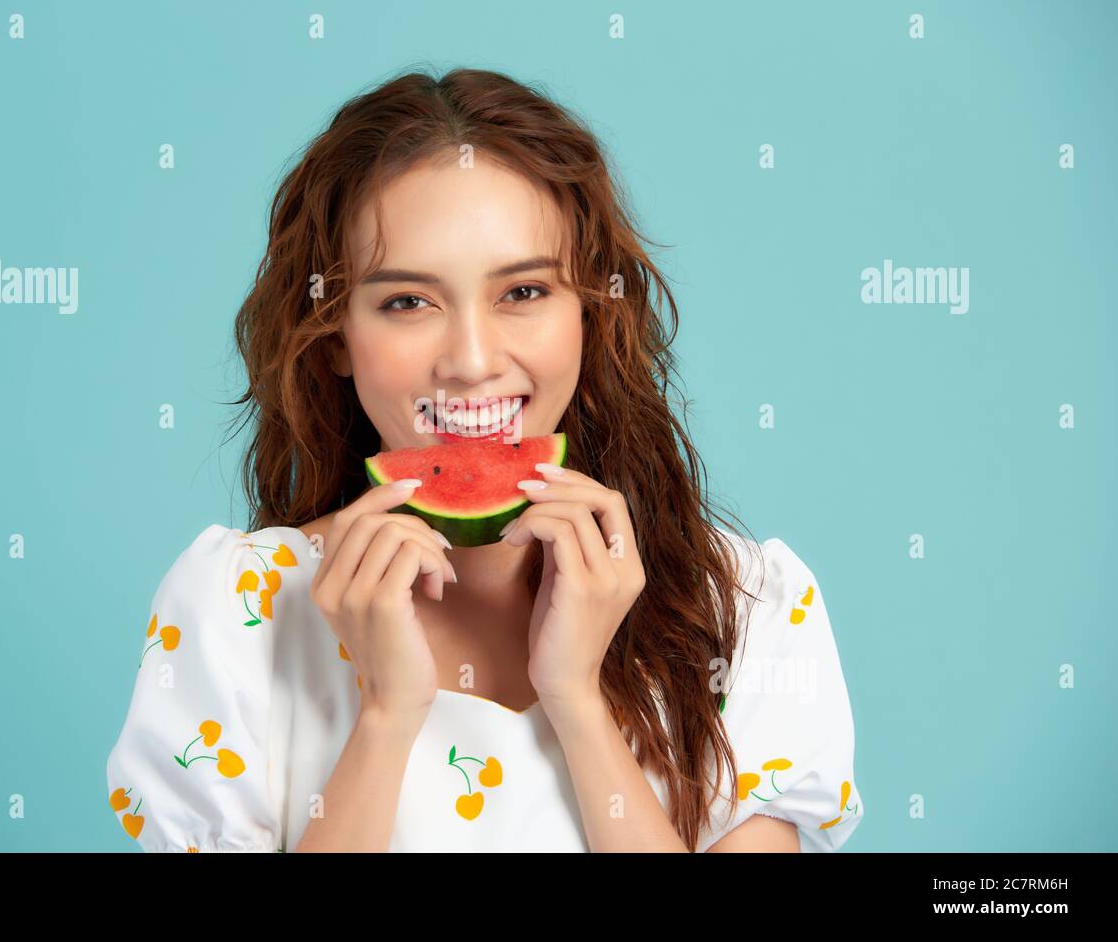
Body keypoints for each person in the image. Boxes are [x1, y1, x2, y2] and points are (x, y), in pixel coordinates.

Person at [105, 67, 864, 852]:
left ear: (589, 315)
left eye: (524, 292)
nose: (470, 360)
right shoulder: (234, 613)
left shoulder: (742, 609)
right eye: (407, 302)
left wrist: (575, 700)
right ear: (335, 335)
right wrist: (386, 715)